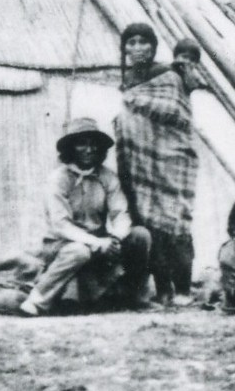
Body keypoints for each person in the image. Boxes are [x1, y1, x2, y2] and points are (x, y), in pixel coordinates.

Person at [18, 117, 152, 316]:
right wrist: (95, 242)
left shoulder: (107, 177)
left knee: (140, 236)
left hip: (99, 243)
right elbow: (61, 224)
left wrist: (115, 238)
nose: (89, 150)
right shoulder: (58, 180)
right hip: (62, 245)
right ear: (71, 148)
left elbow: (120, 213)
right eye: (82, 143)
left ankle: (137, 297)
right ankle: (37, 300)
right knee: (79, 251)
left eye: (93, 144)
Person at [114, 24, 199, 305]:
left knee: (175, 223)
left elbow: (177, 113)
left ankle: (184, 289)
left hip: (170, 159)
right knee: (148, 223)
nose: (138, 48)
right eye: (132, 42)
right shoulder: (127, 79)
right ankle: (163, 288)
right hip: (140, 164)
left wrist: (134, 101)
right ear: (125, 48)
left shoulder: (168, 76)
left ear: (153, 47)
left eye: (144, 43)